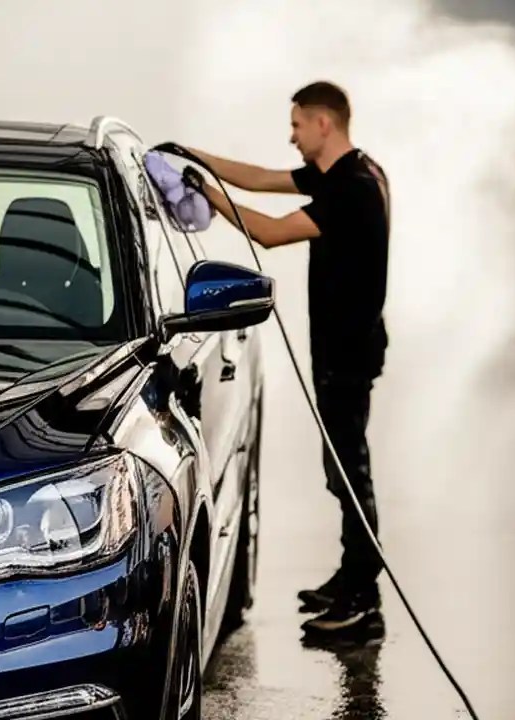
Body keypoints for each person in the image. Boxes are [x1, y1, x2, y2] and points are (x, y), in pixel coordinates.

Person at [179, 81, 391, 637]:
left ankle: (364, 603)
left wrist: (207, 192)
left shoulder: (354, 191)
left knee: (349, 474)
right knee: (342, 469)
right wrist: (191, 158)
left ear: (325, 123)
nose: (291, 136)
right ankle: (350, 579)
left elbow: (269, 234)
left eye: (297, 125)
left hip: (346, 352)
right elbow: (259, 178)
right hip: (349, 348)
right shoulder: (354, 172)